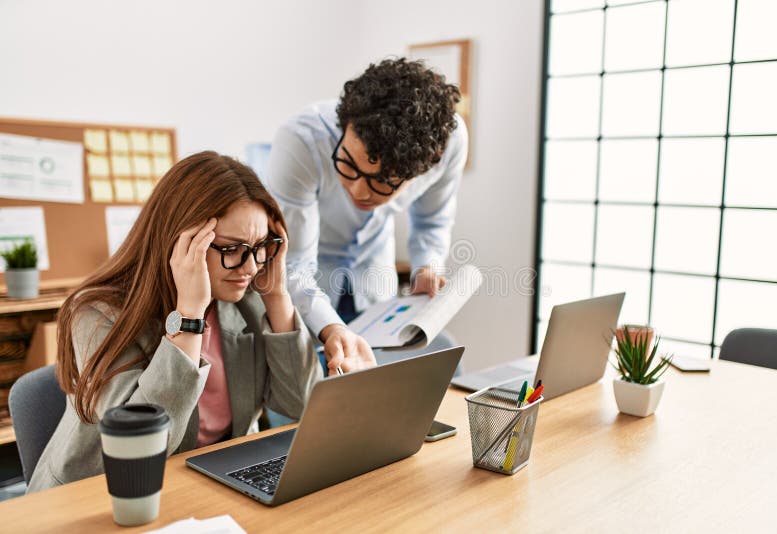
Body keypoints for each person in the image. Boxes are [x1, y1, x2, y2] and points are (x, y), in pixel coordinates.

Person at [28, 151, 375, 493]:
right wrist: (190, 316)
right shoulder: (97, 312)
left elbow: (301, 406)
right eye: (231, 249)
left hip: (201, 488)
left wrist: (277, 296)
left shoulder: (245, 301)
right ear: (178, 242)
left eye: (260, 247)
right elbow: (143, 446)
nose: (252, 267)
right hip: (99, 497)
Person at [265, 58, 468, 371]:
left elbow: (432, 221)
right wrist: (331, 328)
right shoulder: (301, 142)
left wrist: (427, 265)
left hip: (374, 282)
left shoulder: (448, 144)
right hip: (303, 285)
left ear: (419, 171)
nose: (359, 191)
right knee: (303, 399)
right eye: (348, 165)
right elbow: (293, 262)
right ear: (344, 126)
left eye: (382, 182)